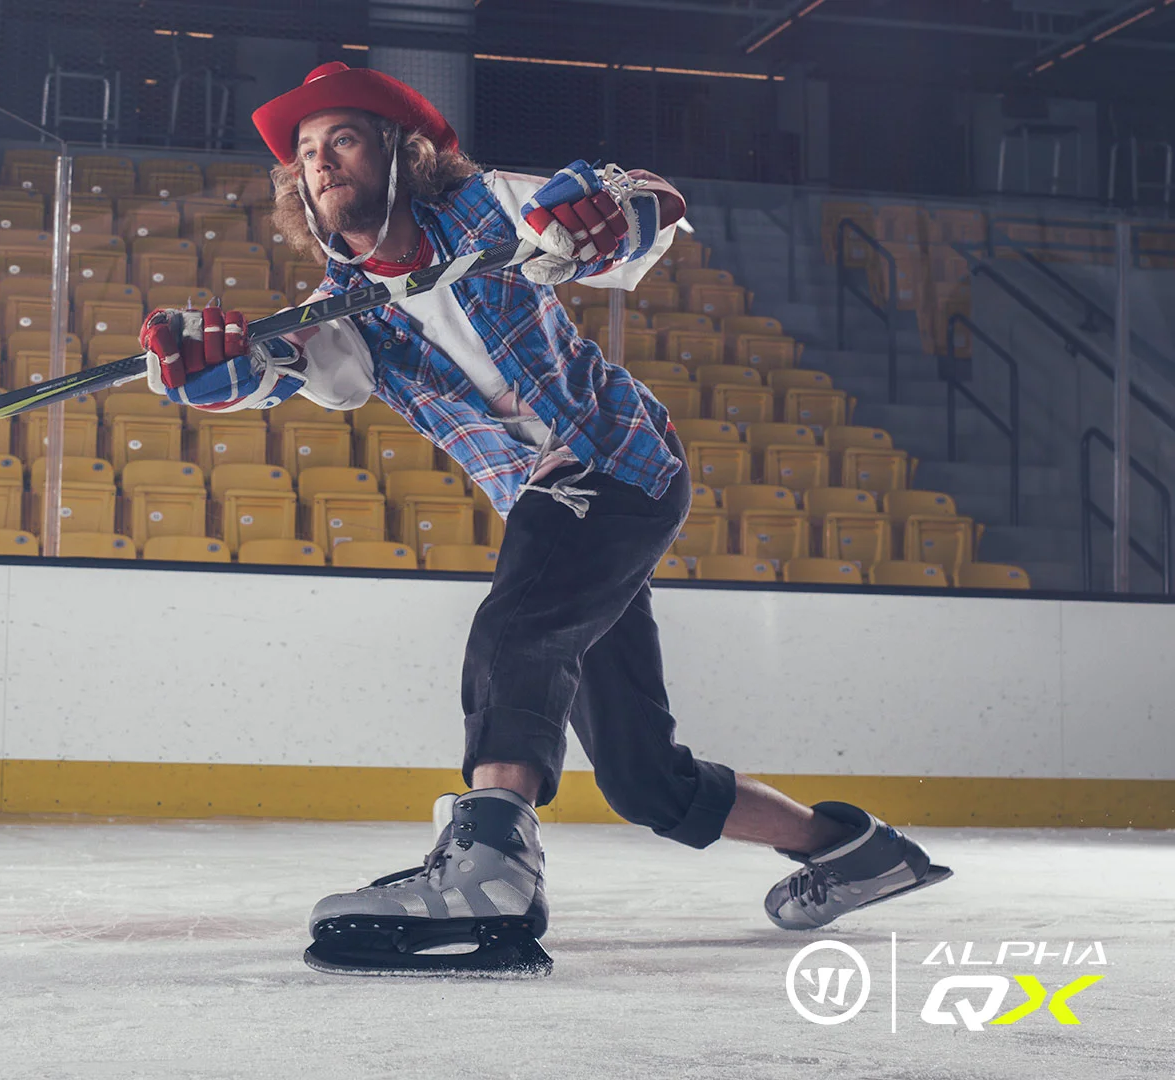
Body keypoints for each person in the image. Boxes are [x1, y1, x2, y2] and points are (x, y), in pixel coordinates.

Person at [137, 62, 950, 976]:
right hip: (556, 500)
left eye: (344, 140)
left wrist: (611, 209)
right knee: (646, 778)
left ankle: (491, 863)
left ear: (402, 153)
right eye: (308, 155)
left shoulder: (486, 213)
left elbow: (631, 218)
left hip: (619, 463)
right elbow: (292, 370)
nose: (322, 164)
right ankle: (853, 850)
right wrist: (209, 365)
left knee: (517, 623)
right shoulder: (344, 311)